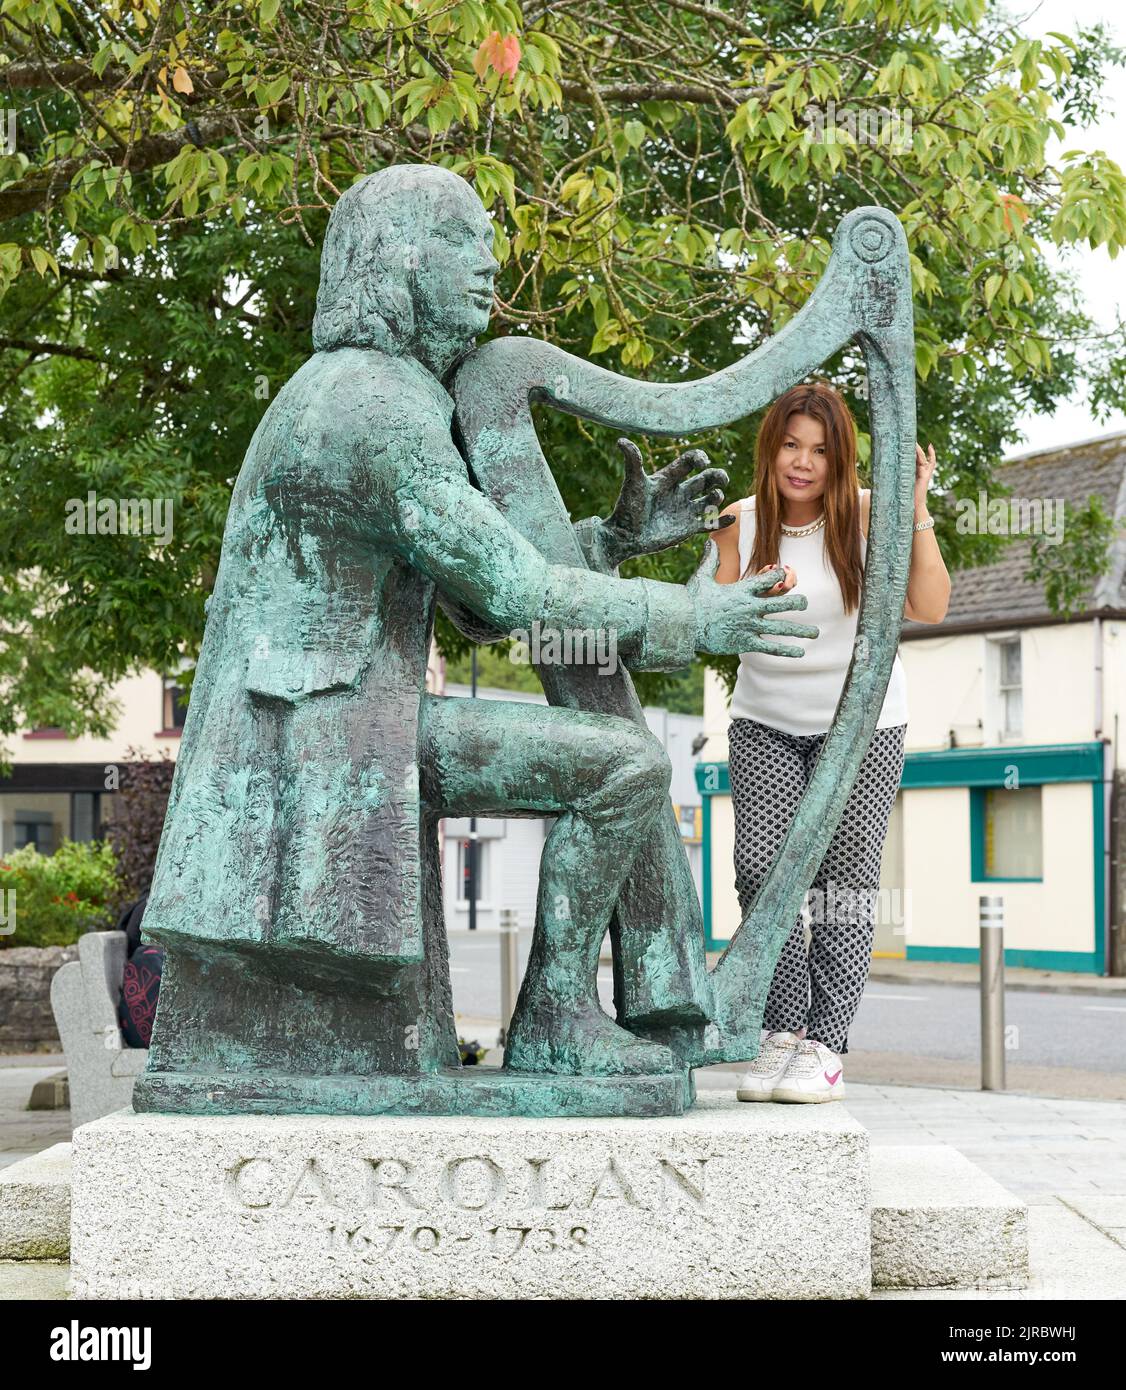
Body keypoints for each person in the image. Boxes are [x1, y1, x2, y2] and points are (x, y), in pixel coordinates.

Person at [713, 381, 950, 1102]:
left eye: (819, 450)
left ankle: (825, 1046)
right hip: (766, 724)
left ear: (840, 458)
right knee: (761, 871)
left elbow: (932, 606)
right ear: (770, 447)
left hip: (863, 729)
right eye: (791, 444)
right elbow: (710, 623)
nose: (803, 462)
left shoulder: (873, 517)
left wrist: (917, 513)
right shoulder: (738, 523)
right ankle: (780, 1031)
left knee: (842, 891)